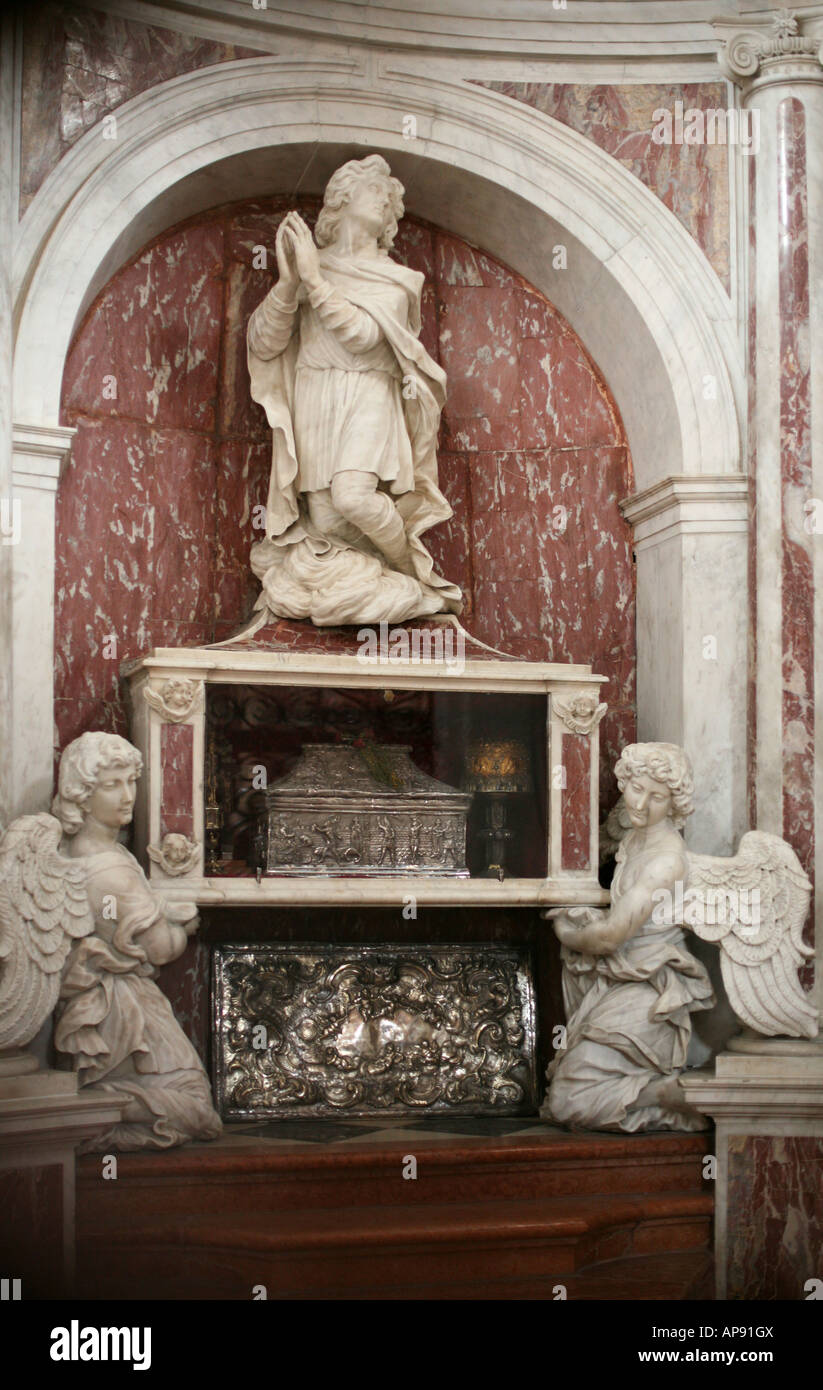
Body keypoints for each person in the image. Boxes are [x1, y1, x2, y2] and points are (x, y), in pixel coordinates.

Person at [246, 154, 462, 625]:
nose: (386, 202)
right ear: (342, 199)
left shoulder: (398, 279)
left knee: (353, 496)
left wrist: (315, 280)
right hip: (315, 392)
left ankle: (407, 570)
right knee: (327, 522)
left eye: (390, 200)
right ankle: (359, 579)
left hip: (369, 392)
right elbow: (263, 343)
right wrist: (288, 284)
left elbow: (363, 337)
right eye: (375, 191)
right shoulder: (308, 268)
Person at [53, 732, 222, 1151]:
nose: (128, 795)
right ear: (80, 794)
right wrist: (183, 926)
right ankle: (81, 1110)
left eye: (132, 781)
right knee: (196, 1107)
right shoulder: (110, 871)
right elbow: (158, 947)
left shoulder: (97, 854)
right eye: (113, 785)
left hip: (120, 1004)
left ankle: (83, 1109)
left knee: (194, 1103)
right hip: (120, 1014)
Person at [542, 742, 714, 1132]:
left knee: (569, 1101)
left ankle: (662, 1094)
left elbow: (609, 939)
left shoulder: (665, 859)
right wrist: (590, 916)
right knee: (565, 1094)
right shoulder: (637, 840)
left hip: (650, 987)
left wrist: (567, 931)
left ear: (674, 804)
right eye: (636, 789)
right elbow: (624, 916)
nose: (640, 804)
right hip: (622, 977)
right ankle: (654, 1094)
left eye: (657, 797)